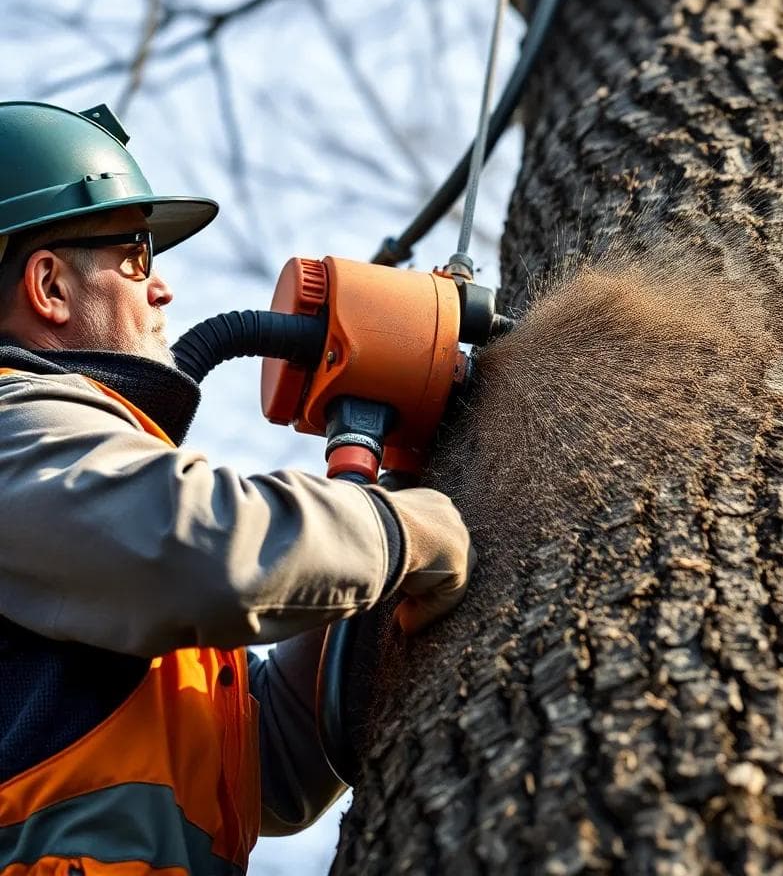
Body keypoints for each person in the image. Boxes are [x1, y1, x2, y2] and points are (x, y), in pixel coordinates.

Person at [0, 100, 475, 874]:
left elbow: (273, 765)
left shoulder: (86, 545)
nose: (162, 291)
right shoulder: (10, 430)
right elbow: (210, 550)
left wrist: (396, 491)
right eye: (136, 256)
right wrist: (396, 532)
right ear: (48, 284)